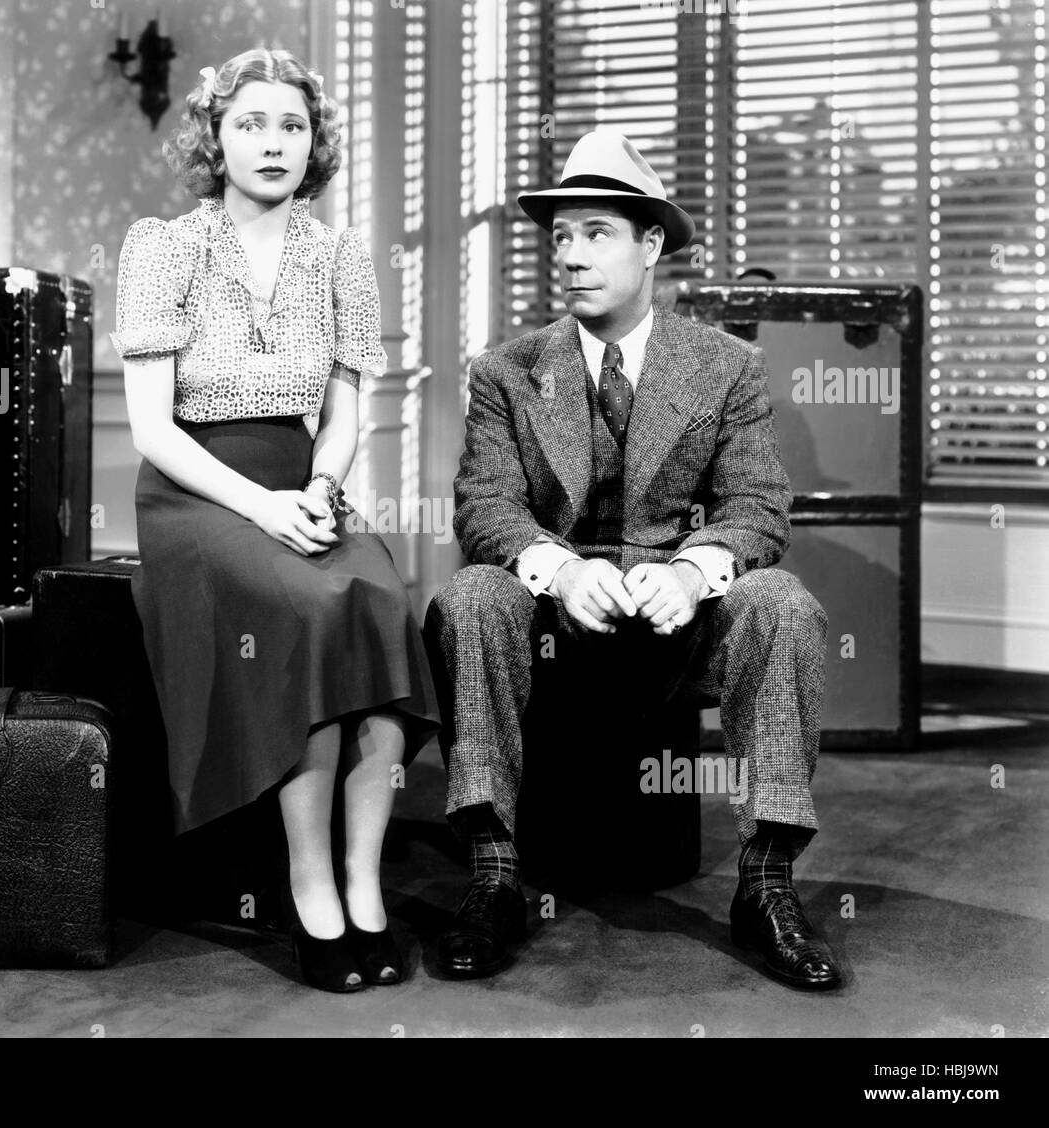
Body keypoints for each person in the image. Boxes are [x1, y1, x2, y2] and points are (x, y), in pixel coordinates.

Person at [424, 129, 843, 990]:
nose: (572, 257)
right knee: (469, 598)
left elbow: (758, 506)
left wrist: (693, 573)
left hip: (677, 618)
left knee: (785, 605)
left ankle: (765, 882)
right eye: (562, 237)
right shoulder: (506, 370)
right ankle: (495, 874)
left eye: (598, 234)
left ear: (651, 245)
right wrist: (561, 570)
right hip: (555, 612)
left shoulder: (727, 366)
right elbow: (487, 507)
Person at [110, 48, 440, 993]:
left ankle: (363, 885)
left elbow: (339, 415)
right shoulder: (163, 246)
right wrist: (259, 505)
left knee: (376, 602)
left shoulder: (340, 256)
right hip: (198, 496)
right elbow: (150, 427)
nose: (272, 142)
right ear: (215, 139)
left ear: (314, 144)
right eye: (250, 123)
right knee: (305, 612)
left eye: (291, 125)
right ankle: (309, 891)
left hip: (304, 486)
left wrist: (323, 490)